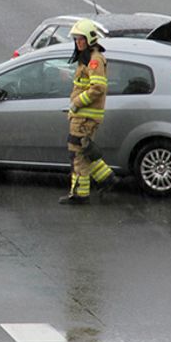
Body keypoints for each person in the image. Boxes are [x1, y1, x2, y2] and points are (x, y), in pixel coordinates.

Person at [60, 19, 119, 205]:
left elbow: (97, 88)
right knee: (83, 151)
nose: (78, 42)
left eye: (81, 39)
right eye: (76, 39)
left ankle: (80, 194)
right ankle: (106, 178)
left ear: (89, 39)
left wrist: (77, 103)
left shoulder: (94, 60)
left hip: (85, 116)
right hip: (82, 115)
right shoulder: (87, 58)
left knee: (77, 154)